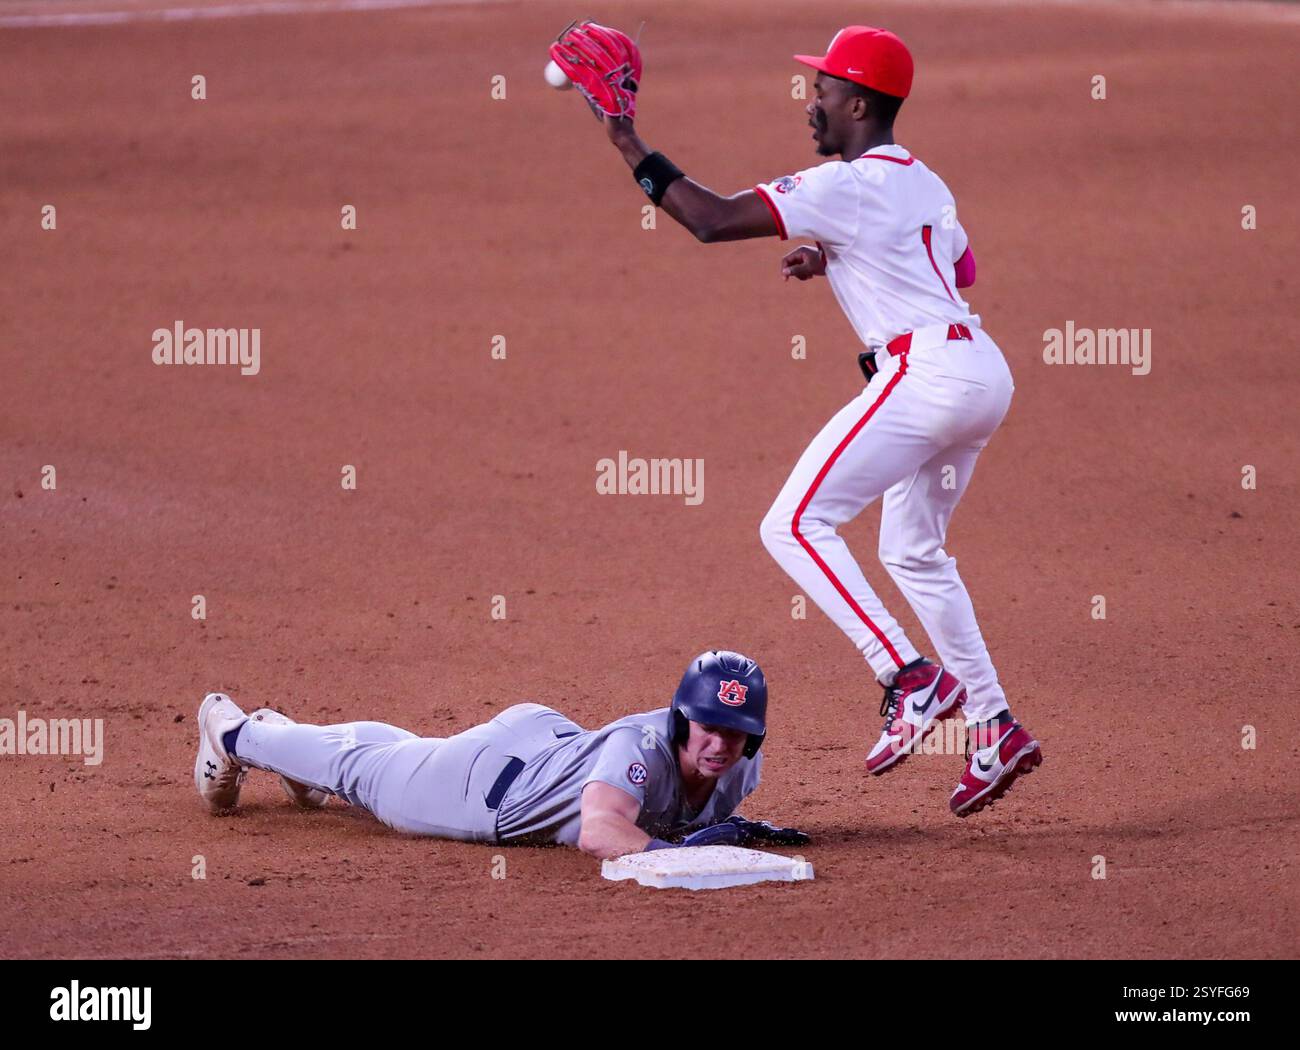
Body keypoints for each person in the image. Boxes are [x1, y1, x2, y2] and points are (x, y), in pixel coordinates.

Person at [551, 22, 1042, 816]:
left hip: (926, 376)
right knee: (914, 551)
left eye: (821, 89)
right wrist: (840, 255)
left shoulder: (842, 186)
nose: (810, 101)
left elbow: (707, 218)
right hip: (984, 374)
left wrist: (622, 133)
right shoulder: (924, 181)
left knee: (794, 524)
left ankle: (910, 678)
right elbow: (960, 270)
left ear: (857, 101)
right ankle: (994, 727)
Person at [193, 649, 807, 858]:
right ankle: (235, 733)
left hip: (544, 744)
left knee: (403, 752)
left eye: (737, 731)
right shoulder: (638, 746)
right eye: (708, 726)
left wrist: (732, 828)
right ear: (680, 718)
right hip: (488, 787)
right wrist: (684, 855)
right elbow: (599, 832)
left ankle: (294, 746)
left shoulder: (743, 762)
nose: (722, 743)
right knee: (375, 775)